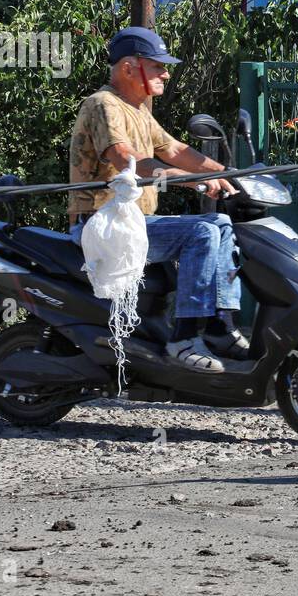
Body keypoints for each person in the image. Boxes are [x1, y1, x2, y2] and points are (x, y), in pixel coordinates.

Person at [67, 26, 247, 373]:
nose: (165, 73)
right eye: (157, 66)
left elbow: (177, 150)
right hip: (102, 224)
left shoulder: (138, 110)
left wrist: (227, 174)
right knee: (201, 233)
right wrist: (189, 183)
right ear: (129, 69)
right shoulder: (103, 104)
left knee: (220, 223)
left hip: (133, 224)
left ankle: (220, 325)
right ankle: (183, 338)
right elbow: (124, 158)